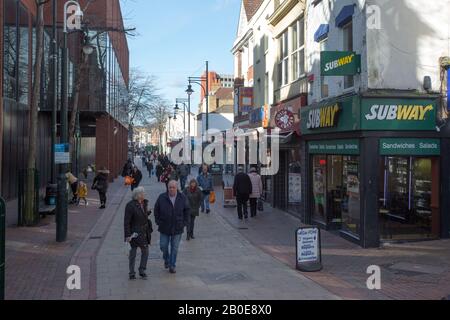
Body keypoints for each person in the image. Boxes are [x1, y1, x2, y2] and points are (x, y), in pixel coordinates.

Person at [154, 180, 190, 274]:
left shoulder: (182, 197)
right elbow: (156, 209)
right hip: (164, 226)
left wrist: (184, 223)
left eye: (173, 187)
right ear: (167, 188)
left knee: (174, 248)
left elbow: (187, 210)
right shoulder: (162, 197)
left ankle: (172, 265)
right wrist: (158, 221)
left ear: (177, 188)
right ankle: (166, 259)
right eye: (170, 187)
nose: (171, 189)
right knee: (163, 246)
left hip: (177, 227)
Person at [124, 187, 153, 280]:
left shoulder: (144, 203)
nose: (145, 195)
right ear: (138, 195)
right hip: (134, 233)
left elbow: (143, 215)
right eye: (143, 193)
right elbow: (126, 221)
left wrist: (147, 212)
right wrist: (127, 235)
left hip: (143, 232)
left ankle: (142, 269)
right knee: (132, 253)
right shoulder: (130, 205)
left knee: (145, 251)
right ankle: (131, 272)